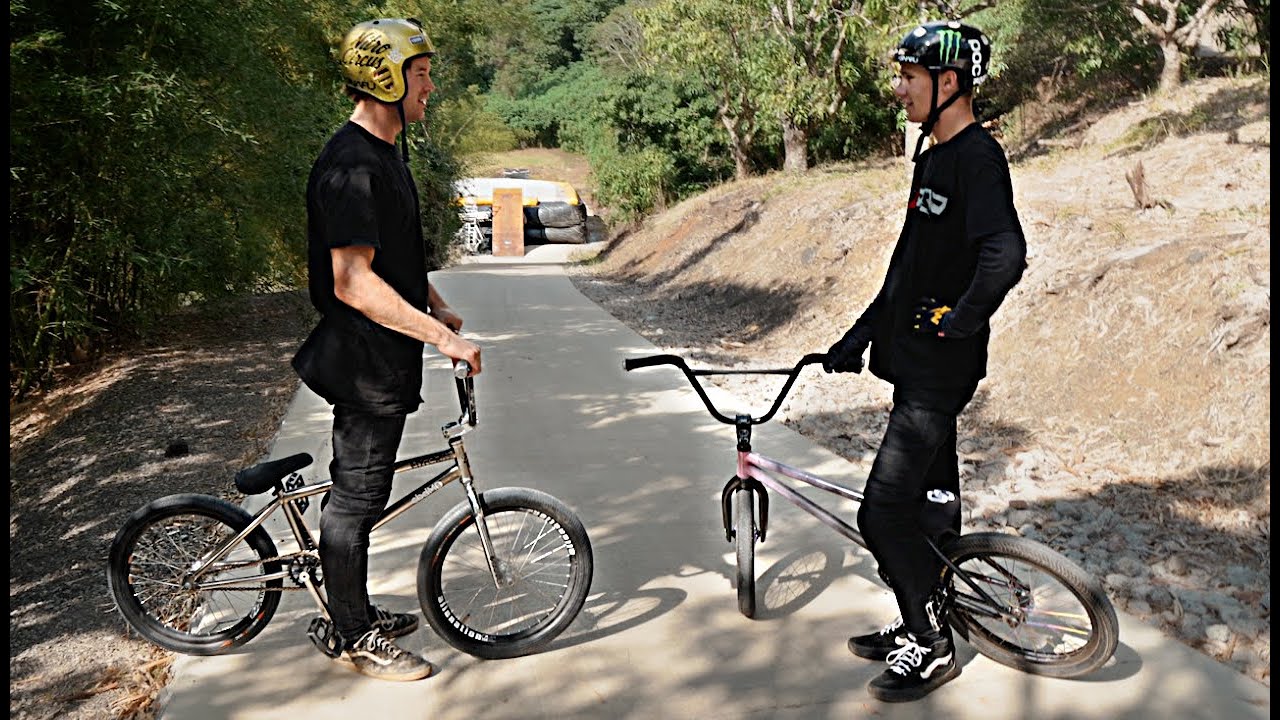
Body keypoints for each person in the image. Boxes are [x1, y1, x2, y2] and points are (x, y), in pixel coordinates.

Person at [822, 20, 1027, 702]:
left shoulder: (976, 158)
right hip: (912, 364)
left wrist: (959, 321)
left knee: (882, 513)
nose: (899, 88)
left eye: (909, 76)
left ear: (949, 83)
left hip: (939, 374)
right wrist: (858, 335)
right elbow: (908, 269)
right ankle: (924, 614)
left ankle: (931, 644)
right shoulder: (932, 156)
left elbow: (1005, 254)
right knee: (930, 510)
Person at [291, 17, 482, 682]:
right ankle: (352, 634)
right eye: (422, 73)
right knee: (356, 500)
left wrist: (432, 302)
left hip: (385, 354)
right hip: (364, 362)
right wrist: (444, 338)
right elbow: (351, 281)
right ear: (385, 79)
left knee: (361, 496)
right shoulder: (349, 166)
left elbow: (389, 255)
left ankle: (355, 605)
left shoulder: (385, 151)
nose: (432, 86)